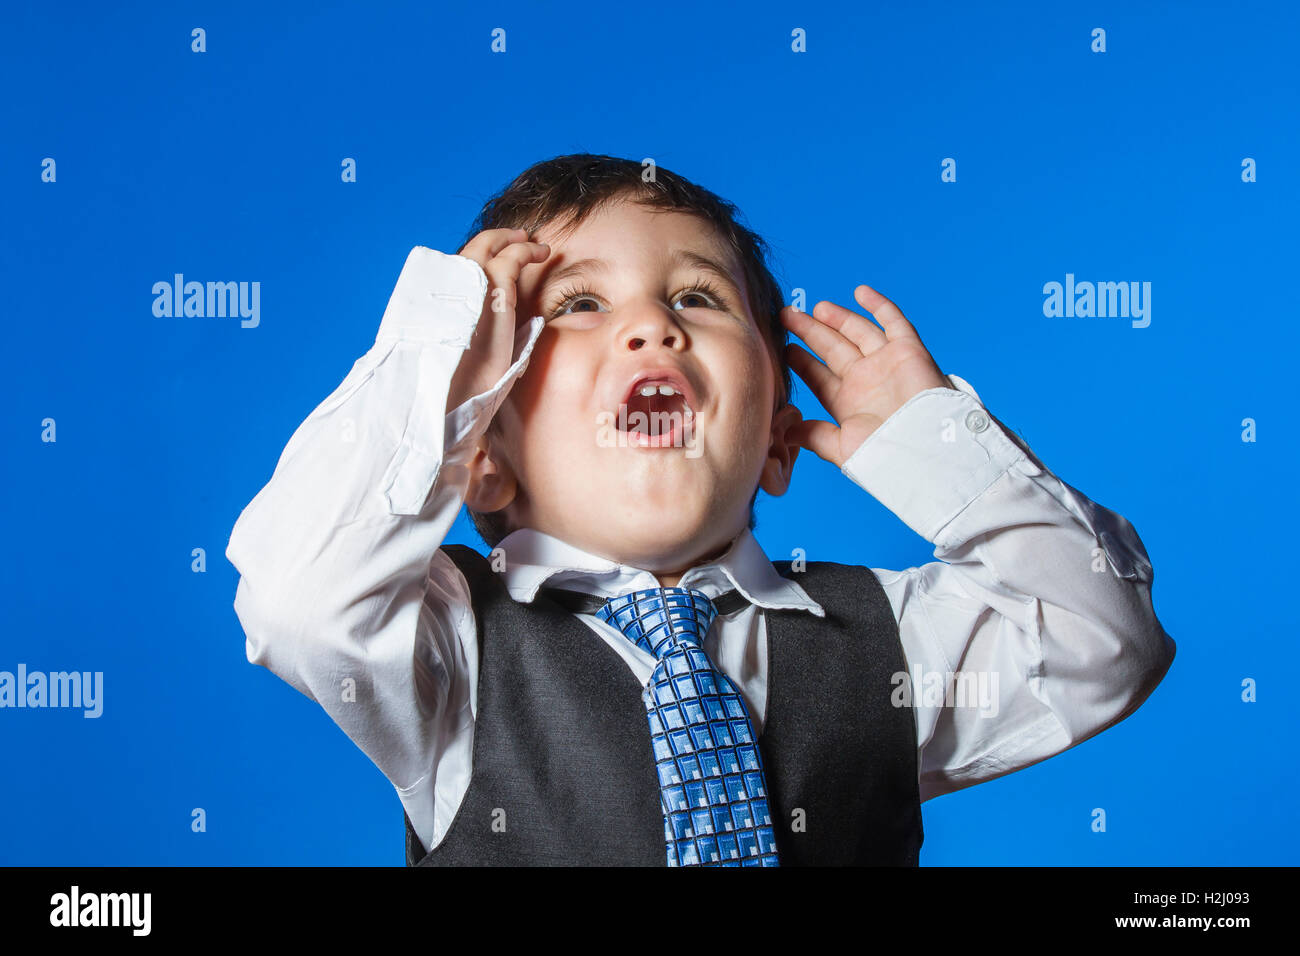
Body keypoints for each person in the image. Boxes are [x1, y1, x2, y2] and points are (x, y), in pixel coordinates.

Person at [225, 153, 1175, 866]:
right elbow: (298, 601)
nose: (653, 324)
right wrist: (437, 372)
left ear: (772, 439)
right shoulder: (450, 653)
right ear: (483, 460)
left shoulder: (884, 642)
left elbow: (1102, 640)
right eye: (579, 305)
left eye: (695, 294)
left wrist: (933, 443)